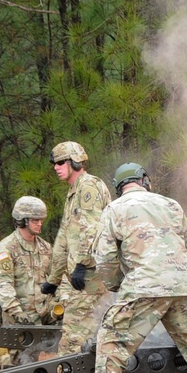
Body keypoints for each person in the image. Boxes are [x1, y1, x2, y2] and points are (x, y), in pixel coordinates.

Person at [91, 162, 187, 373]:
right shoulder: (171, 205)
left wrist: (116, 285)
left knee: (112, 340)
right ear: (145, 181)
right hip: (185, 288)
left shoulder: (113, 210)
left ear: (119, 187)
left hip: (144, 287)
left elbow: (105, 259)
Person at [40, 141, 112, 358]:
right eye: (55, 163)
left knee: (73, 336)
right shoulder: (74, 192)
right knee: (85, 333)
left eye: (61, 162)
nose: (56, 167)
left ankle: (66, 372)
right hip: (80, 276)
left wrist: (82, 264)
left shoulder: (89, 187)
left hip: (91, 276)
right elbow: (63, 239)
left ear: (75, 162)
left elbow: (92, 229)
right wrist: (54, 279)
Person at [0, 196, 55, 366]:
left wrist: (59, 302)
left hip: (43, 313)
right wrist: (16, 312)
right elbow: (2, 284)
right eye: (35, 220)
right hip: (19, 316)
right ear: (23, 221)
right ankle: (3, 360)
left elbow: (56, 279)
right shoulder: (5, 248)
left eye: (41, 220)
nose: (39, 224)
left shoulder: (45, 248)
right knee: (21, 365)